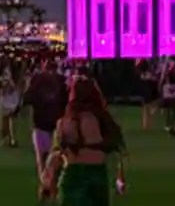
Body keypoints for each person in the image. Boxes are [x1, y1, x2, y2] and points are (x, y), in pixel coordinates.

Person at [40, 77, 127, 205]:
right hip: (98, 176)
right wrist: (119, 179)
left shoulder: (64, 122)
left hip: (72, 175)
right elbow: (115, 153)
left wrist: (48, 183)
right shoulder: (103, 121)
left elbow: (55, 156)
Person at [24, 60, 70, 176]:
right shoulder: (60, 80)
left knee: (44, 161)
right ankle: (51, 181)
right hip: (54, 125)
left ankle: (46, 182)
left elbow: (27, 99)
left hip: (45, 125)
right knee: (54, 160)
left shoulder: (38, 80)